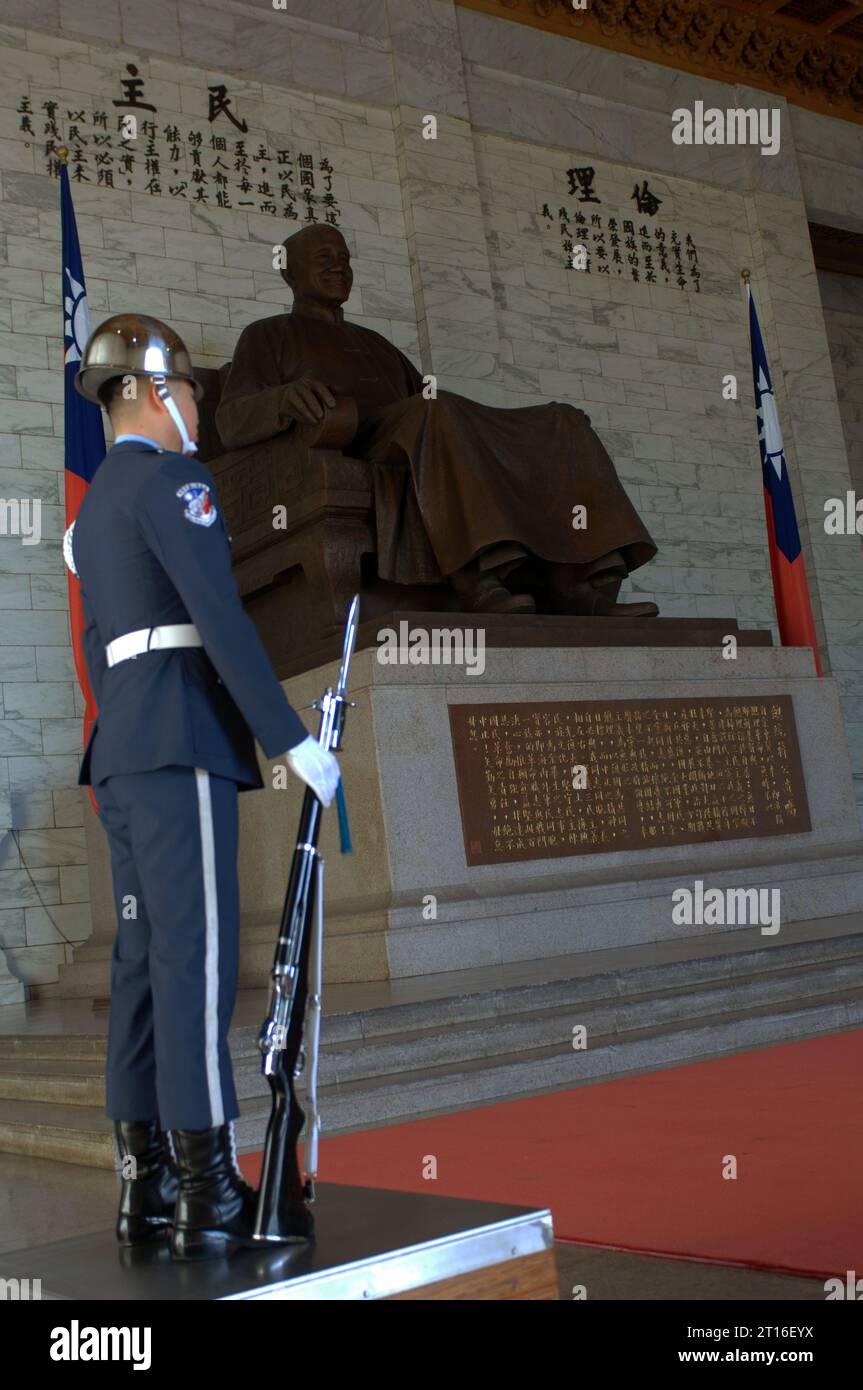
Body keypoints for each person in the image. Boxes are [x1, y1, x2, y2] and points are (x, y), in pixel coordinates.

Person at [64, 312, 341, 1261]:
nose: (196, 409)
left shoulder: (94, 507)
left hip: (125, 746)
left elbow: (99, 652)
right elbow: (218, 615)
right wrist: (288, 736)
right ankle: (209, 1190)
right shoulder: (176, 481)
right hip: (180, 735)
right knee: (199, 962)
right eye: (187, 391)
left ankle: (145, 1188)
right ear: (149, 393)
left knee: (142, 967)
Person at [215, 223, 659, 618]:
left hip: (419, 433)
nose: (339, 268)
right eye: (324, 260)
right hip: (354, 443)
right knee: (436, 410)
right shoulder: (267, 335)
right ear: (289, 274)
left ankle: (575, 582)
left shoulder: (375, 343)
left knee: (562, 421)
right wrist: (282, 398)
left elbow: (426, 404)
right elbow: (231, 421)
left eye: (345, 259)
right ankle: (476, 578)